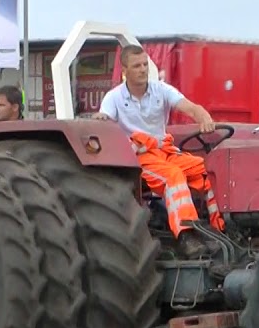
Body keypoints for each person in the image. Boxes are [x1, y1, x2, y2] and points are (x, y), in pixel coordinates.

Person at [91, 45, 224, 258]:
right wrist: (101, 118)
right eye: (136, 66)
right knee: (173, 176)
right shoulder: (114, 98)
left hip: (165, 150)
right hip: (140, 157)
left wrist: (203, 116)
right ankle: (186, 235)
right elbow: (104, 118)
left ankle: (219, 227)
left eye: (145, 64)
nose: (143, 69)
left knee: (206, 169)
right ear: (124, 70)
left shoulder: (161, 90)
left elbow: (189, 107)